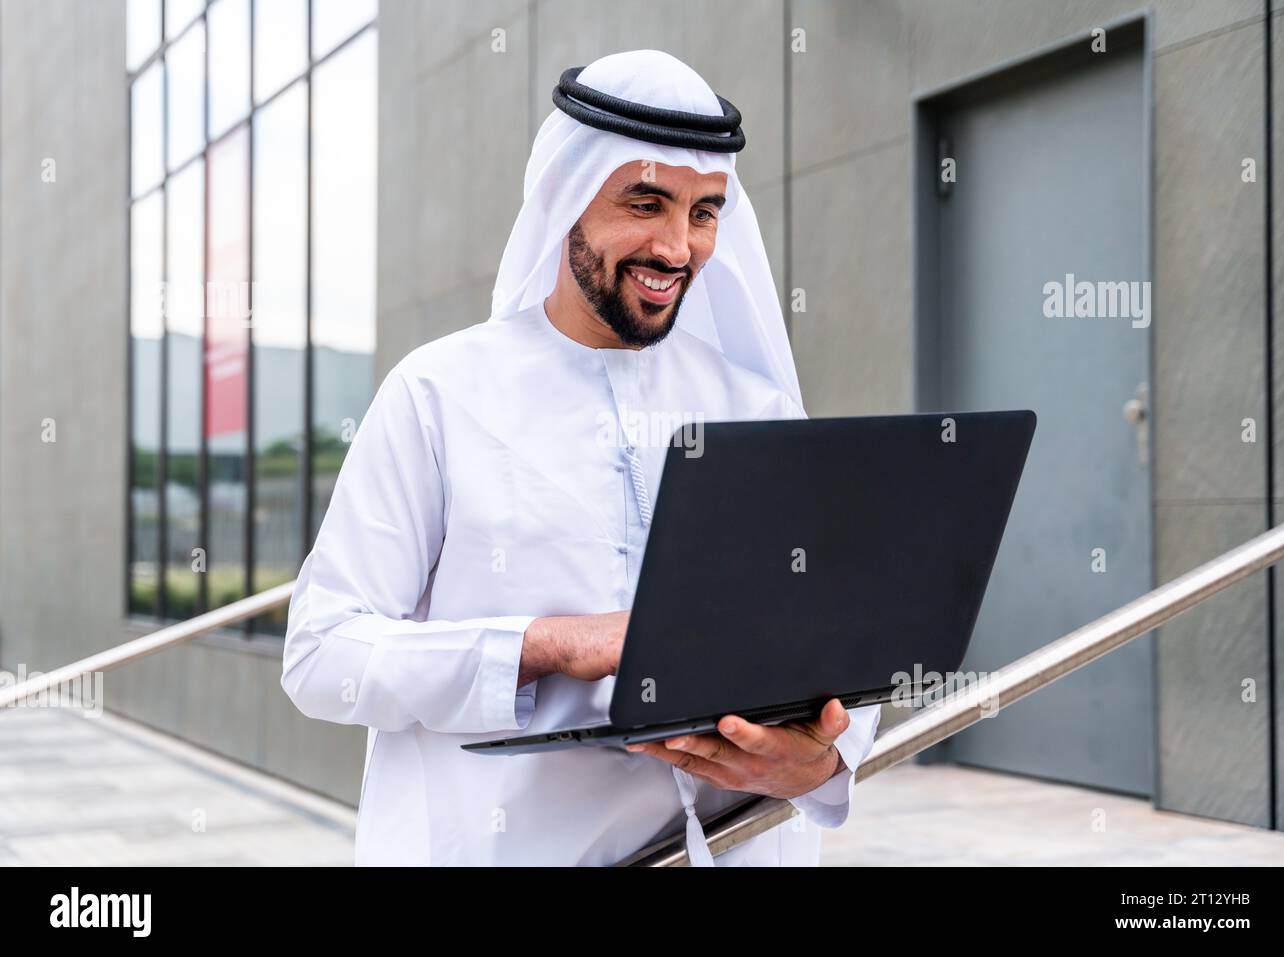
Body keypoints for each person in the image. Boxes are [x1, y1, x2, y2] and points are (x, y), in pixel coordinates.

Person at [281, 49, 881, 866]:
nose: (679, 246)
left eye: (704, 212)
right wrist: (548, 645)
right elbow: (323, 655)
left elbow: (836, 645)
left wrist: (821, 759)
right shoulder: (439, 395)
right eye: (646, 202)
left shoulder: (759, 408)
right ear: (566, 197)